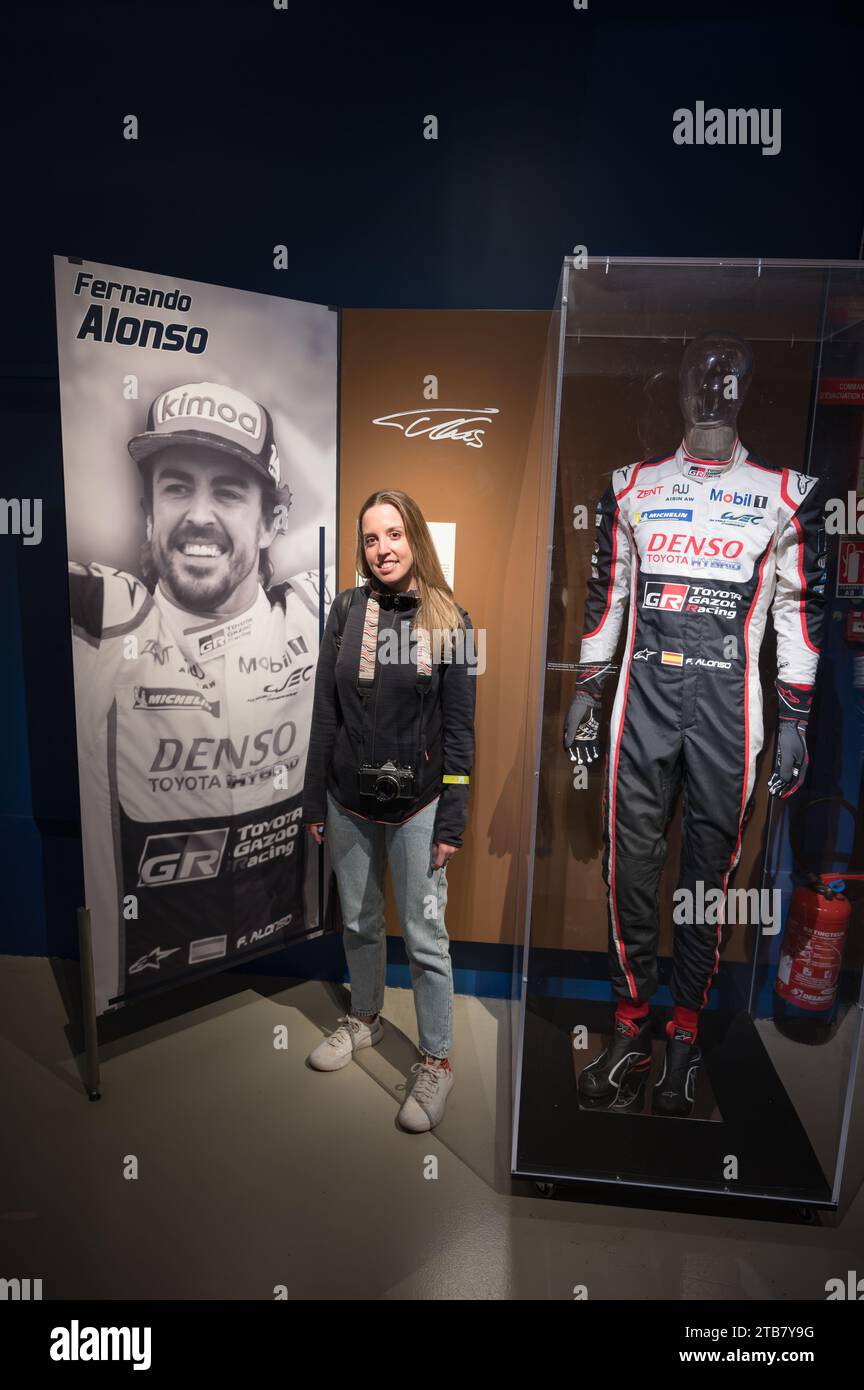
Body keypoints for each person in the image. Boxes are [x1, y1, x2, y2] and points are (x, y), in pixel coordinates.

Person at [69, 380, 332, 1014]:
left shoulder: (314, 613)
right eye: (177, 485)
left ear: (272, 520)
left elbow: (422, 599)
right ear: (150, 511)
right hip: (132, 977)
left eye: (229, 490)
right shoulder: (105, 619)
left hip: (287, 938)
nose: (199, 514)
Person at [302, 490, 476, 1131]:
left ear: (416, 539)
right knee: (360, 921)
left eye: (395, 535)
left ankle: (437, 1063)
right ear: (362, 548)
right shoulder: (346, 612)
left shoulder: (454, 620)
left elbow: (461, 732)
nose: (384, 550)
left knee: (426, 940)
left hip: (420, 808)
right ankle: (366, 1018)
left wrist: (452, 816)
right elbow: (326, 713)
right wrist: (313, 799)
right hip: (348, 803)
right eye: (372, 539)